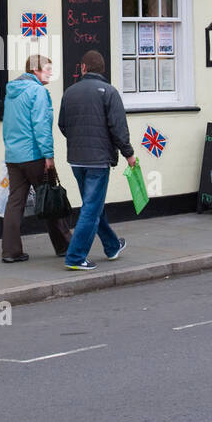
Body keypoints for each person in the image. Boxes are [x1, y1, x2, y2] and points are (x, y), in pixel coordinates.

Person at [58, 50, 137, 271]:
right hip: (99, 161)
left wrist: (78, 142)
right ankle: (75, 257)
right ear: (102, 70)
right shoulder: (109, 92)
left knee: (93, 206)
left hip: (76, 160)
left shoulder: (69, 92)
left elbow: (63, 125)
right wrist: (128, 154)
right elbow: (118, 129)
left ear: (83, 68)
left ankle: (112, 246)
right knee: (91, 209)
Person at [1, 54, 71, 262]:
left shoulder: (11, 91)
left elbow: (7, 125)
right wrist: (48, 156)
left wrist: (11, 149)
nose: (50, 72)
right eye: (47, 69)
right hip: (34, 155)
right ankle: (65, 246)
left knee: (14, 202)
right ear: (35, 71)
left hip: (14, 156)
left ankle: (10, 251)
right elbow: (41, 126)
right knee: (49, 198)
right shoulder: (38, 92)